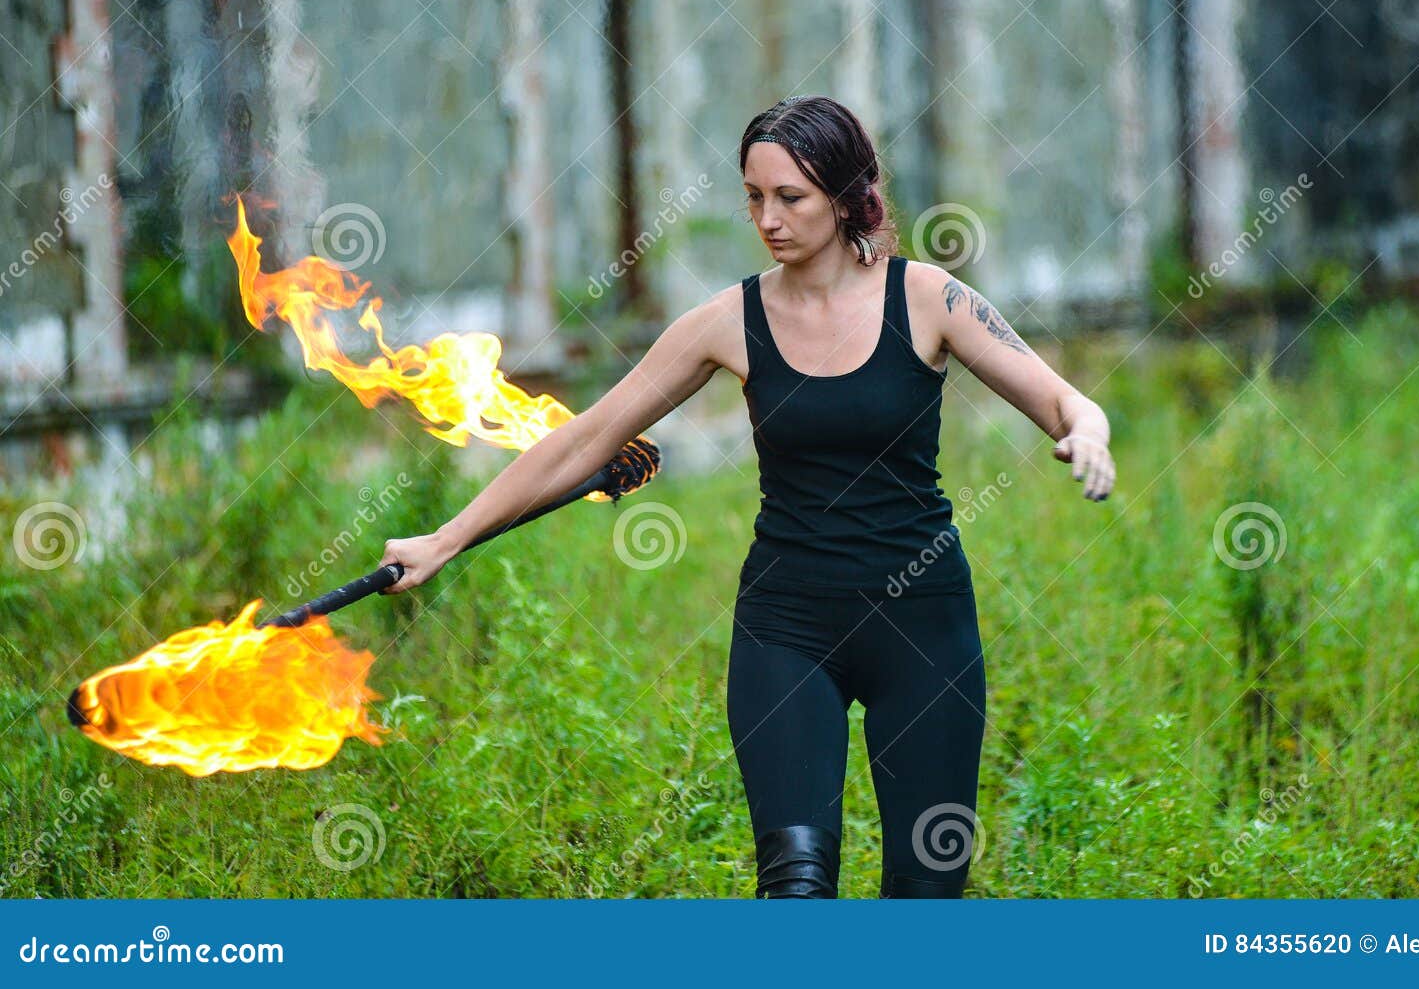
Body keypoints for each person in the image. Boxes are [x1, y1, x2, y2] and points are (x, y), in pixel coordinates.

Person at [379, 94, 1116, 898]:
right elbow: (585, 438)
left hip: (923, 626)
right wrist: (445, 537)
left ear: (846, 196)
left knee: (926, 888)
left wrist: (1088, 432)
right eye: (754, 198)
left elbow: (1066, 400)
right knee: (794, 886)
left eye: (790, 197)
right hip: (787, 627)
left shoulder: (929, 299)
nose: (768, 218)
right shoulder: (726, 321)